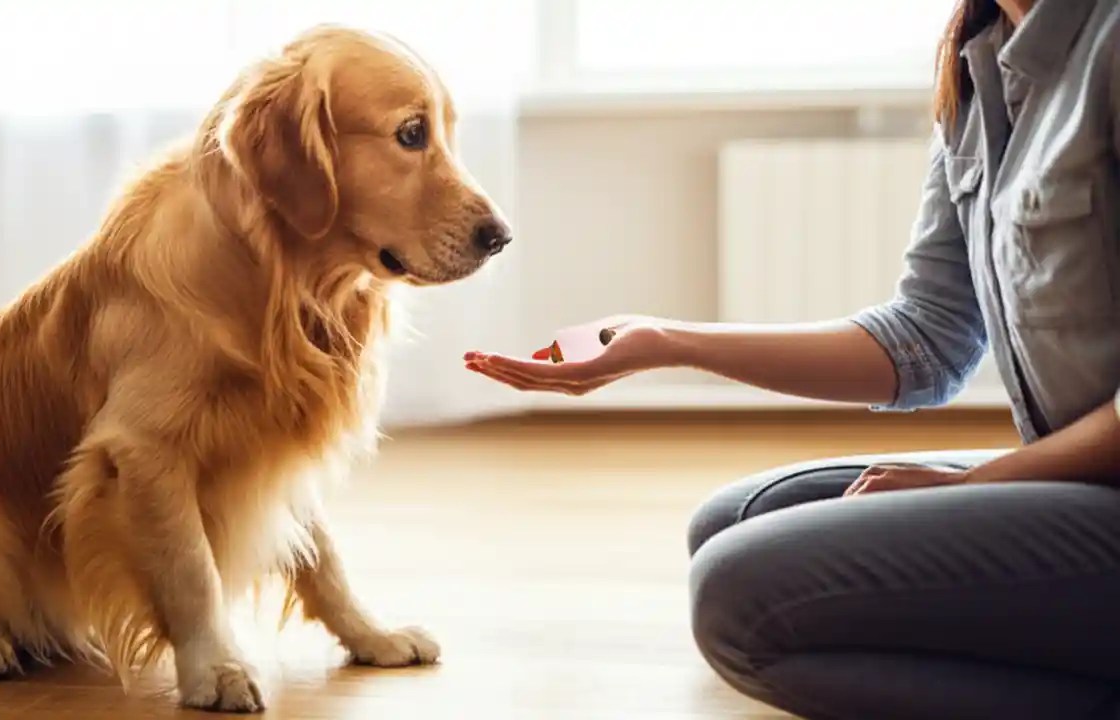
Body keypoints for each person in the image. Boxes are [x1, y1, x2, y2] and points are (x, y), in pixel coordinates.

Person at [464, 0, 1120, 717]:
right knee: (737, 520)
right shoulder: (977, 60)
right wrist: (664, 341)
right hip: (1085, 478)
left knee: (739, 599)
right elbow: (926, 338)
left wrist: (983, 481)